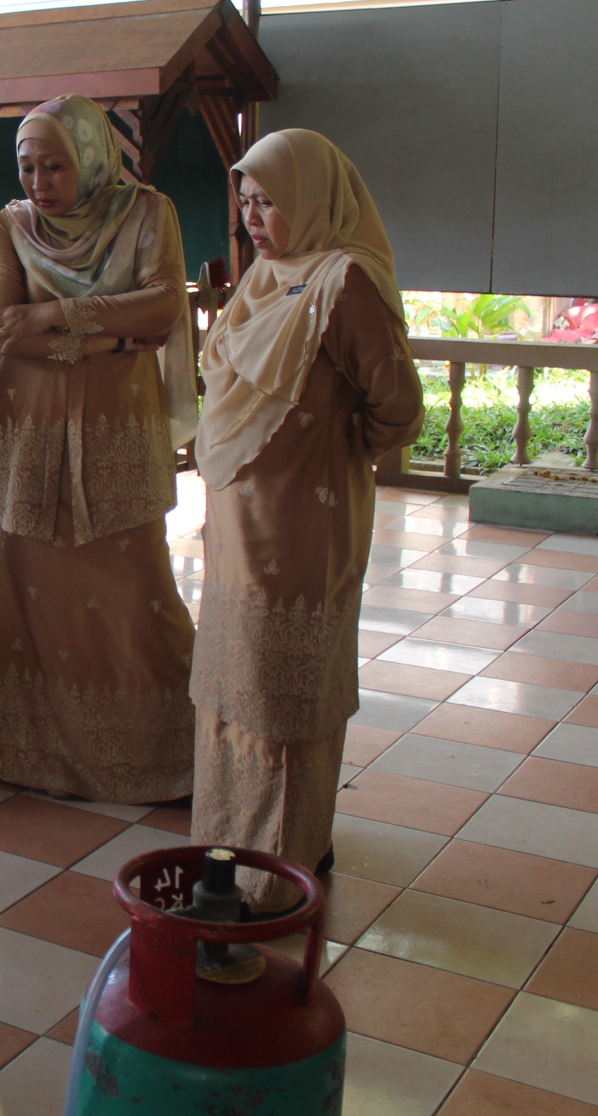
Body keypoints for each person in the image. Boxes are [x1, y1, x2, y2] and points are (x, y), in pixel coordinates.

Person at [189, 129, 424, 913]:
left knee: (284, 692)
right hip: (237, 525)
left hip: (303, 524)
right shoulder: (267, 277)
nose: (255, 217)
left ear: (316, 199)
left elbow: (398, 406)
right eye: (247, 202)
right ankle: (230, 848)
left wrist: (330, 454)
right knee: (234, 685)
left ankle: (279, 871)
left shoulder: (343, 280)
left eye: (272, 202)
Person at [0, 95, 198, 803]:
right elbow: (1, 327)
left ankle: (161, 757)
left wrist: (57, 313)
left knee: (136, 591)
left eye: (54, 165)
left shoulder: (148, 214)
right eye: (28, 166)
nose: (38, 182)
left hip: (118, 429)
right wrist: (113, 340)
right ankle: (32, 755)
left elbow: (162, 306)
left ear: (91, 157)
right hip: (32, 430)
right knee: (36, 595)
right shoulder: (10, 226)